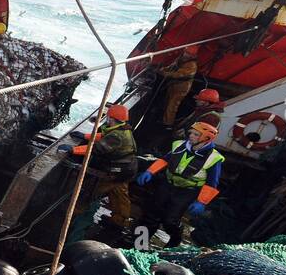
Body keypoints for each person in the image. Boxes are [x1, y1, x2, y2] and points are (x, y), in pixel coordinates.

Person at [136, 120, 225, 247]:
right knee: (151, 215)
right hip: (168, 183)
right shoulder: (179, 145)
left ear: (205, 138)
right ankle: (139, 244)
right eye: (191, 133)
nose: (191, 136)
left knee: (170, 220)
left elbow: (212, 182)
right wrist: (150, 172)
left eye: (195, 134)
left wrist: (201, 202)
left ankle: (174, 240)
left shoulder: (214, 158)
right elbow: (165, 160)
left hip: (187, 191)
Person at [58, 104, 137, 238]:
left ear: (111, 118)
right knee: (120, 196)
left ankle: (74, 216)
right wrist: (86, 136)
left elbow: (97, 148)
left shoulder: (118, 135)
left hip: (118, 171)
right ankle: (120, 222)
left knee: (92, 191)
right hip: (126, 169)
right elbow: (104, 136)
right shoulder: (121, 129)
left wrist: (73, 150)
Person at [157, 45, 200, 129]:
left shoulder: (192, 65)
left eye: (189, 53)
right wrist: (163, 69)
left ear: (193, 55)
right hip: (173, 85)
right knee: (167, 102)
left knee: (172, 105)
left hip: (181, 88)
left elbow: (180, 74)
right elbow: (172, 67)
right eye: (186, 52)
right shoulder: (180, 59)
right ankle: (164, 120)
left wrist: (165, 74)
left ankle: (168, 124)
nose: (187, 54)